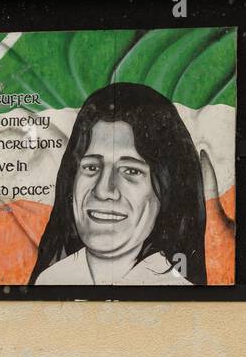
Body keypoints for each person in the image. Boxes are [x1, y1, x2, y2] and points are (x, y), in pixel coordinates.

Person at [30, 83, 206, 286]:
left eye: (131, 171)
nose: (103, 190)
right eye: (91, 167)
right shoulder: (49, 281)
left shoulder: (178, 293)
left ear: (168, 190)